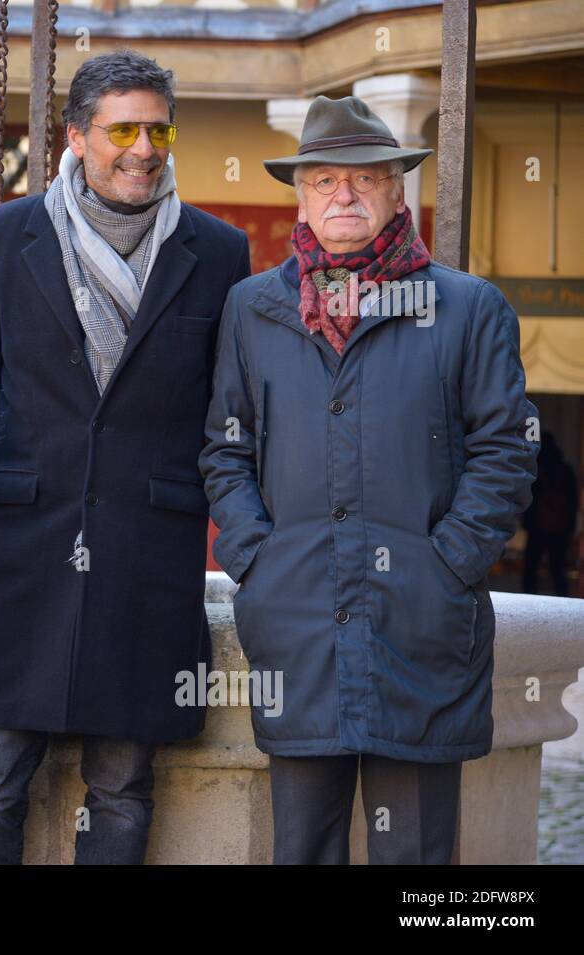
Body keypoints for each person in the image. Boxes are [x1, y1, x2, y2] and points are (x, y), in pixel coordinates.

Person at [199, 94, 540, 864]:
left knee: (415, 859)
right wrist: (259, 554)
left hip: (424, 628)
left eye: (362, 179)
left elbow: (508, 449)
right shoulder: (253, 308)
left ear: (396, 190)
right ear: (302, 195)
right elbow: (224, 446)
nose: (342, 196)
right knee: (304, 849)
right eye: (322, 180)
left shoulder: (467, 307)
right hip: (298, 622)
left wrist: (448, 561)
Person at [0, 50, 251, 865]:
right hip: (27, 546)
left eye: (158, 127)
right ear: (76, 137)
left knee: (121, 788)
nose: (144, 147)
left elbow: (227, 409)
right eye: (122, 128)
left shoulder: (219, 252)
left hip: (149, 551)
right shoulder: (0, 239)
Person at [521, 431, 578, 596]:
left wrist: (528, 523)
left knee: (531, 568)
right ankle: (562, 601)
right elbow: (572, 502)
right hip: (559, 528)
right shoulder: (565, 470)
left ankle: (528, 598)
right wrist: (570, 526)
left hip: (538, 526)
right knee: (558, 569)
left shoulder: (536, 469)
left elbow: (528, 497)